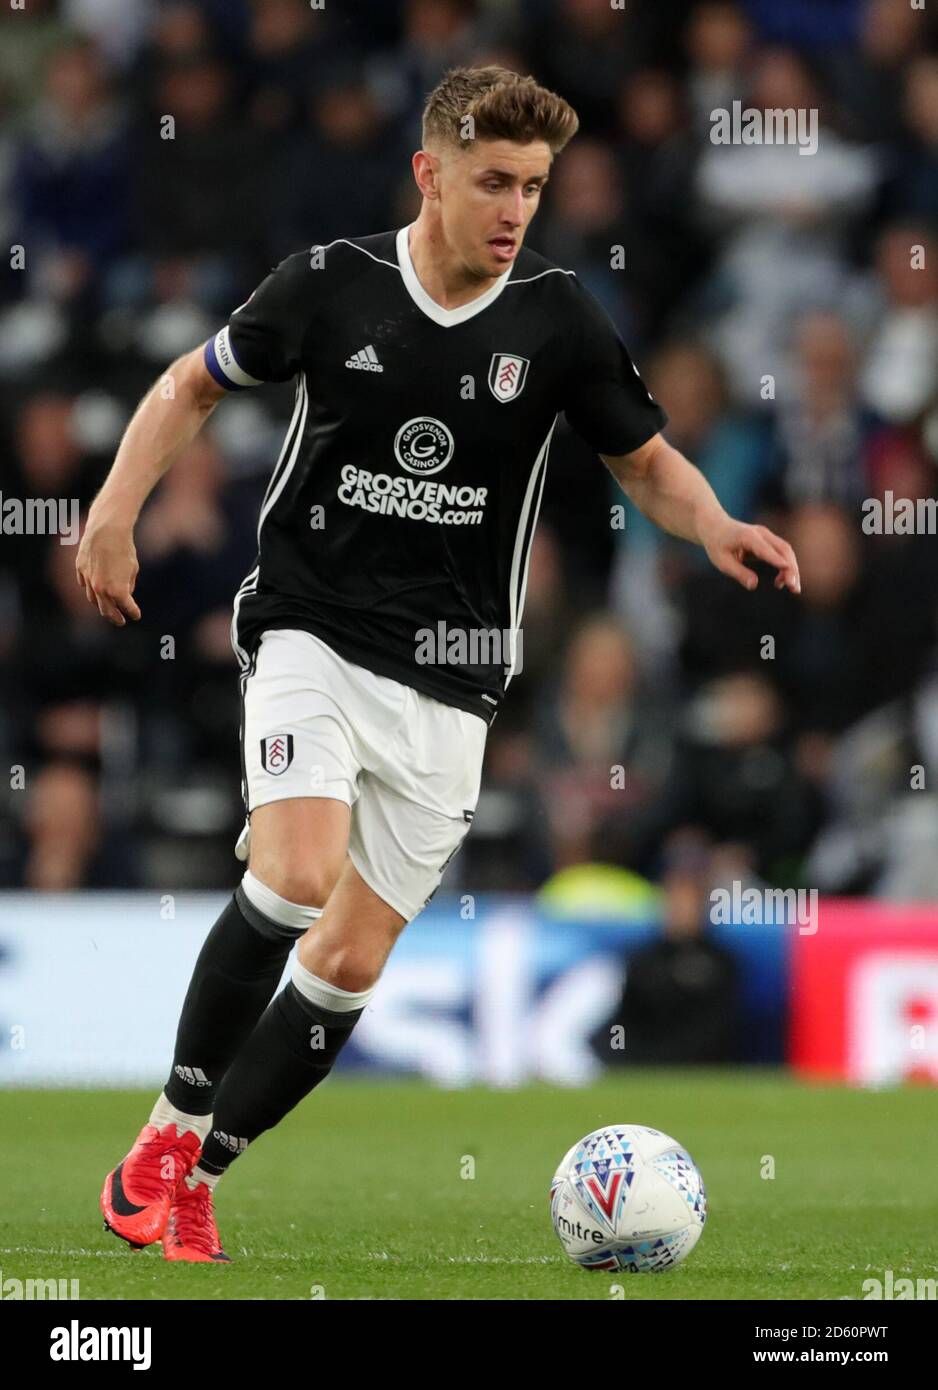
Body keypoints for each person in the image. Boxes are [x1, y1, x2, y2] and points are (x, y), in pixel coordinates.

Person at [76, 65, 800, 1263]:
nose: (515, 207)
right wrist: (110, 513)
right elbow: (187, 386)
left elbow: (645, 460)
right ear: (429, 174)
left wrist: (715, 521)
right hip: (311, 628)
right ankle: (170, 1129)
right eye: (492, 182)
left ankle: (190, 1164)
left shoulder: (558, 320)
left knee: (351, 958)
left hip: (454, 679)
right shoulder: (327, 285)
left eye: (532, 186)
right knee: (297, 874)